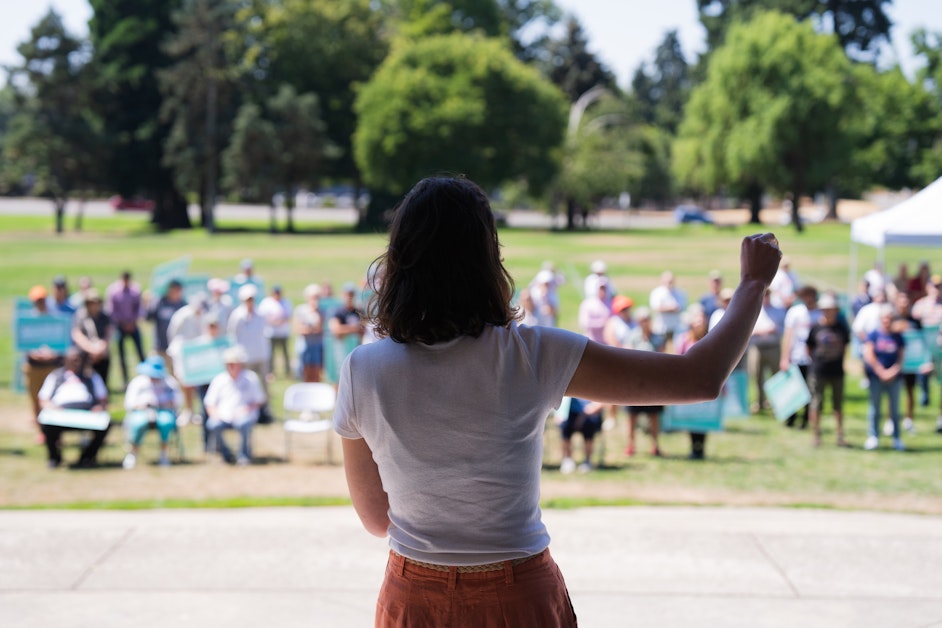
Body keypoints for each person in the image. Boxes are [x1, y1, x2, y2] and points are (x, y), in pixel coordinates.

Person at [333, 176, 781, 626]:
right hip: (518, 594)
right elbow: (699, 378)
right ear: (488, 258)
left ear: (399, 262)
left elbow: (376, 519)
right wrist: (752, 284)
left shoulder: (363, 370)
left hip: (414, 598)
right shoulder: (533, 354)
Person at [37, 347, 110, 468]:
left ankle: (87, 457)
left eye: (78, 359)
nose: (76, 362)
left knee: (106, 425)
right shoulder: (56, 376)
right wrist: (53, 408)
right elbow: (44, 399)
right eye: (73, 359)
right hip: (61, 412)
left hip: (86, 412)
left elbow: (103, 399)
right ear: (66, 360)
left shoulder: (91, 376)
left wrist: (99, 407)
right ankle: (54, 458)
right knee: (46, 425)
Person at [203, 345, 266, 465]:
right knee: (213, 424)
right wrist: (215, 414)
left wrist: (245, 410)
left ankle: (243, 456)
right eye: (228, 364)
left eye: (234, 363)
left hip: (244, 414)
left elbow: (258, 400)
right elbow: (209, 402)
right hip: (223, 415)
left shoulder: (250, 378)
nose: (231, 366)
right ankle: (226, 454)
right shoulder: (219, 379)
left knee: (243, 423)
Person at [122, 355, 183, 469]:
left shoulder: (169, 382)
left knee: (166, 422)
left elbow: (178, 400)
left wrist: (164, 404)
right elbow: (129, 403)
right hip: (141, 412)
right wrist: (143, 405)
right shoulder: (138, 382)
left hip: (164, 411)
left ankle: (164, 453)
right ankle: (132, 453)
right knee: (138, 423)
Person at [22, 285, 67, 439]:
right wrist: (36, 354)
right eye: (37, 301)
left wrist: (52, 354)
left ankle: (55, 432)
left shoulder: (55, 318)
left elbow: (61, 342)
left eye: (42, 300)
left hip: (52, 365)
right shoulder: (28, 320)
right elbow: (25, 344)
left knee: (53, 398)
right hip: (34, 366)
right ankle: (41, 430)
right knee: (35, 399)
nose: (40, 303)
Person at [806, 293, 851, 447]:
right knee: (816, 403)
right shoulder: (816, 328)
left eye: (831, 309)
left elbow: (845, 346)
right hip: (818, 371)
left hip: (837, 371)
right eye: (825, 309)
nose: (828, 312)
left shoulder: (841, 328)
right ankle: (816, 435)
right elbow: (809, 348)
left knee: (837, 405)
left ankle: (839, 435)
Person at [622, 307, 665, 457]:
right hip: (635, 383)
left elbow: (662, 358)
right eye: (641, 320)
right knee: (631, 417)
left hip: (653, 383)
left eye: (646, 320)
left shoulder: (658, 338)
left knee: (654, 416)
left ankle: (655, 445)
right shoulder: (632, 337)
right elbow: (627, 356)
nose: (644, 323)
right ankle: (630, 445)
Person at [862, 304, 905, 451]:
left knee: (894, 408)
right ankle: (873, 436)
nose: (887, 320)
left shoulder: (897, 337)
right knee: (874, 407)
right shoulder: (874, 334)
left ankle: (897, 438)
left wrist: (893, 371)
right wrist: (880, 371)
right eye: (884, 317)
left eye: (890, 318)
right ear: (881, 319)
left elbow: (901, 357)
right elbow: (869, 354)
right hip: (876, 377)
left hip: (894, 378)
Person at [779, 285, 819, 428]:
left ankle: (806, 420)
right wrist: (785, 357)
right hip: (796, 357)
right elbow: (788, 336)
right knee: (794, 389)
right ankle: (791, 418)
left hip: (814, 359)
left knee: (810, 390)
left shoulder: (820, 314)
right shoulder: (795, 312)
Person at [674, 303, 711, 459]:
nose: (699, 324)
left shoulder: (710, 340)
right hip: (689, 386)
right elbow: (678, 360)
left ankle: (701, 448)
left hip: (704, 384)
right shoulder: (683, 340)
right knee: (692, 418)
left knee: (704, 419)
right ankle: (693, 448)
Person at [105, 270, 146, 388]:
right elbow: (112, 310)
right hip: (120, 326)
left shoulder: (135, 290)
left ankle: (145, 376)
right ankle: (125, 380)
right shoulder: (113, 291)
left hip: (133, 325)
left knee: (140, 352)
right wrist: (123, 323)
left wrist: (132, 322)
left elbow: (139, 308)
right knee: (121, 354)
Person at [71, 289, 112, 389]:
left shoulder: (104, 317)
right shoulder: (81, 316)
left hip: (101, 350)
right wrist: (91, 349)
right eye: (91, 303)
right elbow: (77, 335)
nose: (94, 305)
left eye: (96, 302)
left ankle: (102, 391)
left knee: (105, 360)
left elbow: (108, 334)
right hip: (85, 350)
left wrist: (101, 348)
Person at [558, 398, 604, 474]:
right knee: (564, 425)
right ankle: (567, 460)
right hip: (570, 413)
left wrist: (586, 413)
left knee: (589, 425)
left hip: (588, 414)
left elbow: (599, 403)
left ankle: (588, 461)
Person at [147, 279, 186, 364]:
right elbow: (149, 318)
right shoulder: (160, 302)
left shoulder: (183, 304)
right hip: (160, 346)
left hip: (176, 348)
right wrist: (148, 303)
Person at [258, 285, 293, 377]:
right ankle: (271, 372)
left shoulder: (286, 302)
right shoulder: (266, 303)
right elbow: (262, 316)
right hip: (271, 333)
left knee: (285, 353)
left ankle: (288, 372)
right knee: (270, 354)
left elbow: (289, 316)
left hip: (283, 332)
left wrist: (280, 321)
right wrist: (273, 321)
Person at [292, 283, 325, 383]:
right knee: (305, 374)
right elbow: (298, 329)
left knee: (317, 373)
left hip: (317, 347)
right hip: (304, 348)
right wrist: (311, 329)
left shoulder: (321, 312)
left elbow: (321, 328)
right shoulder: (300, 310)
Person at [649, 270, 686, 349]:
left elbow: (680, 307)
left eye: (671, 281)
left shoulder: (680, 293)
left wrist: (666, 308)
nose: (669, 283)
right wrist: (671, 308)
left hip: (675, 327)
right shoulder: (657, 293)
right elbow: (656, 308)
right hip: (661, 328)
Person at [578, 279, 613, 344]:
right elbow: (583, 323)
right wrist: (601, 323)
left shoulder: (611, 303)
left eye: (604, 289)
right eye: (601, 288)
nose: (602, 291)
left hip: (607, 342)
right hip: (591, 340)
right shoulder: (588, 303)